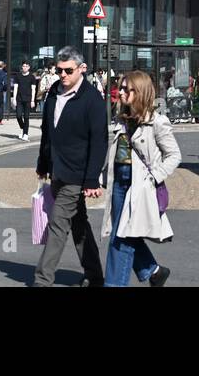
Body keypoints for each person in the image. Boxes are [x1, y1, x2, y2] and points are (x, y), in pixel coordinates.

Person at [34, 46, 107, 287]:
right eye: (59, 70)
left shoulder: (92, 99)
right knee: (79, 224)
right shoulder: (54, 93)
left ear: (81, 69)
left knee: (58, 224)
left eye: (68, 70)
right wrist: (42, 163)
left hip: (77, 173)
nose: (63, 75)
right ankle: (95, 276)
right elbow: (47, 133)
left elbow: (99, 141)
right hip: (57, 171)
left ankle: (42, 280)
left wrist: (92, 178)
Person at [101, 70, 178, 287]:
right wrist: (103, 176)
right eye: (121, 88)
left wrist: (153, 178)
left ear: (140, 92)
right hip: (119, 182)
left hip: (140, 186)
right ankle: (154, 271)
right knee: (126, 233)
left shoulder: (157, 122)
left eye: (127, 89)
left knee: (121, 238)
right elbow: (116, 154)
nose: (121, 92)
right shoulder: (122, 119)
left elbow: (174, 155)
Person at [12, 60, 38, 142]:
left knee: (26, 117)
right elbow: (15, 88)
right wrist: (14, 98)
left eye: (26, 66)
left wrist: (33, 100)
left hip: (28, 99)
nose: (25, 67)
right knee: (18, 116)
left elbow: (33, 89)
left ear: (29, 67)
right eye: (23, 66)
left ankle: (25, 134)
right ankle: (23, 127)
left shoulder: (32, 77)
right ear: (22, 67)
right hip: (19, 99)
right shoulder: (18, 76)